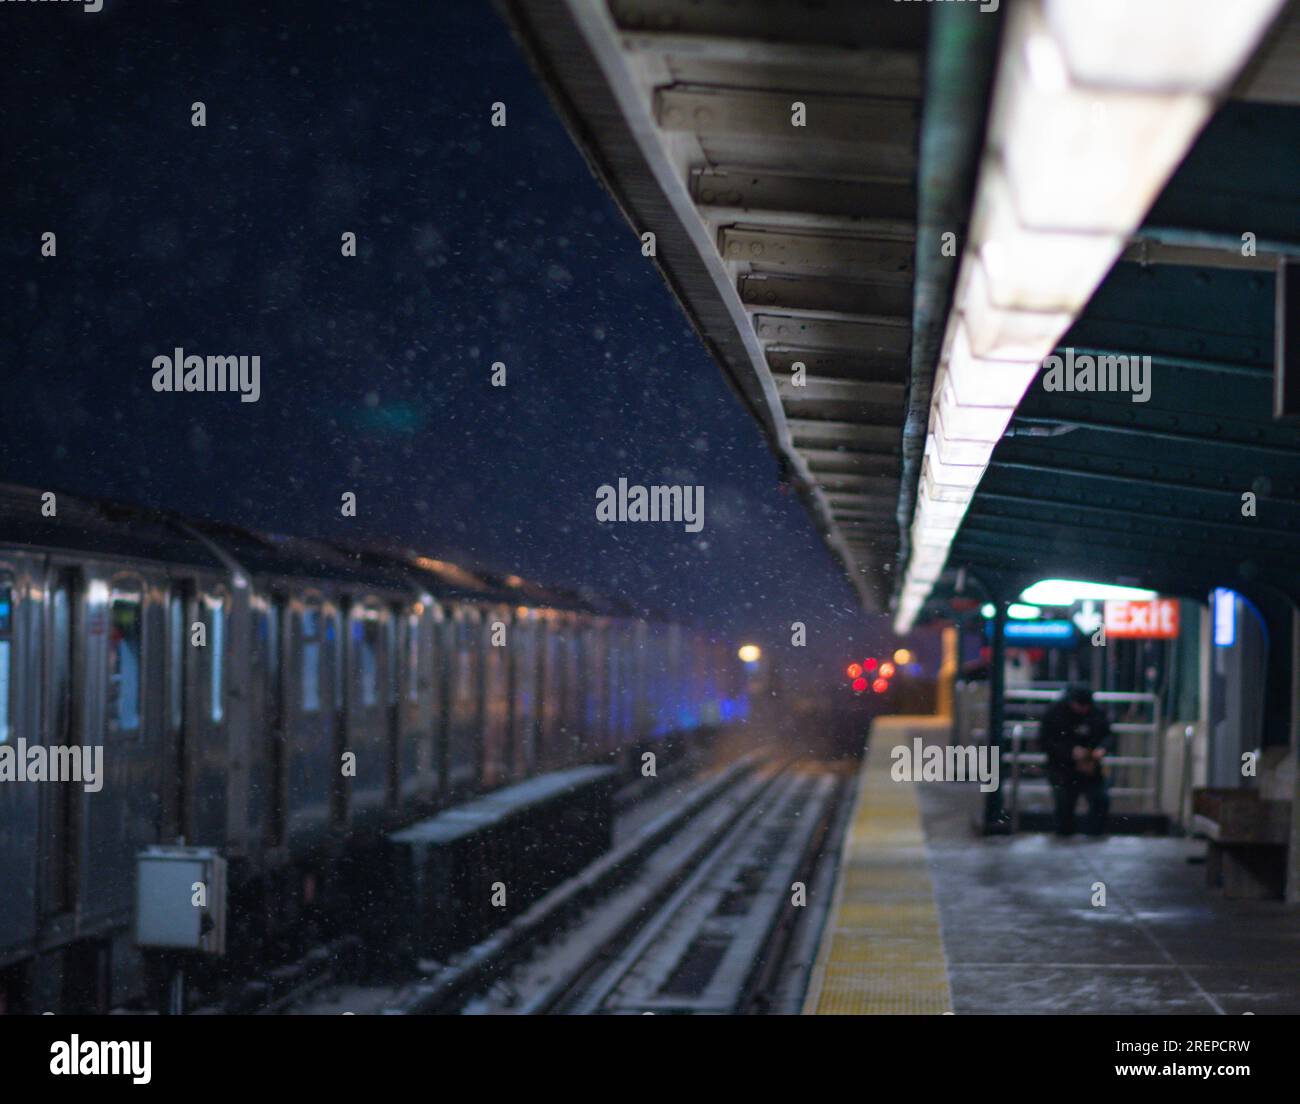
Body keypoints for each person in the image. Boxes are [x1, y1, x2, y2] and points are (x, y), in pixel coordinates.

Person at [1038, 685, 1113, 837]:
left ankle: (1094, 833)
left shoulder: (1096, 713)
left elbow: (1108, 735)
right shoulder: (1056, 713)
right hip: (1062, 767)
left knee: (1099, 800)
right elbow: (1045, 740)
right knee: (1064, 805)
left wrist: (1101, 749)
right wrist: (1069, 751)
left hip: (1090, 767)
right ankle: (1065, 834)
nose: (1083, 710)